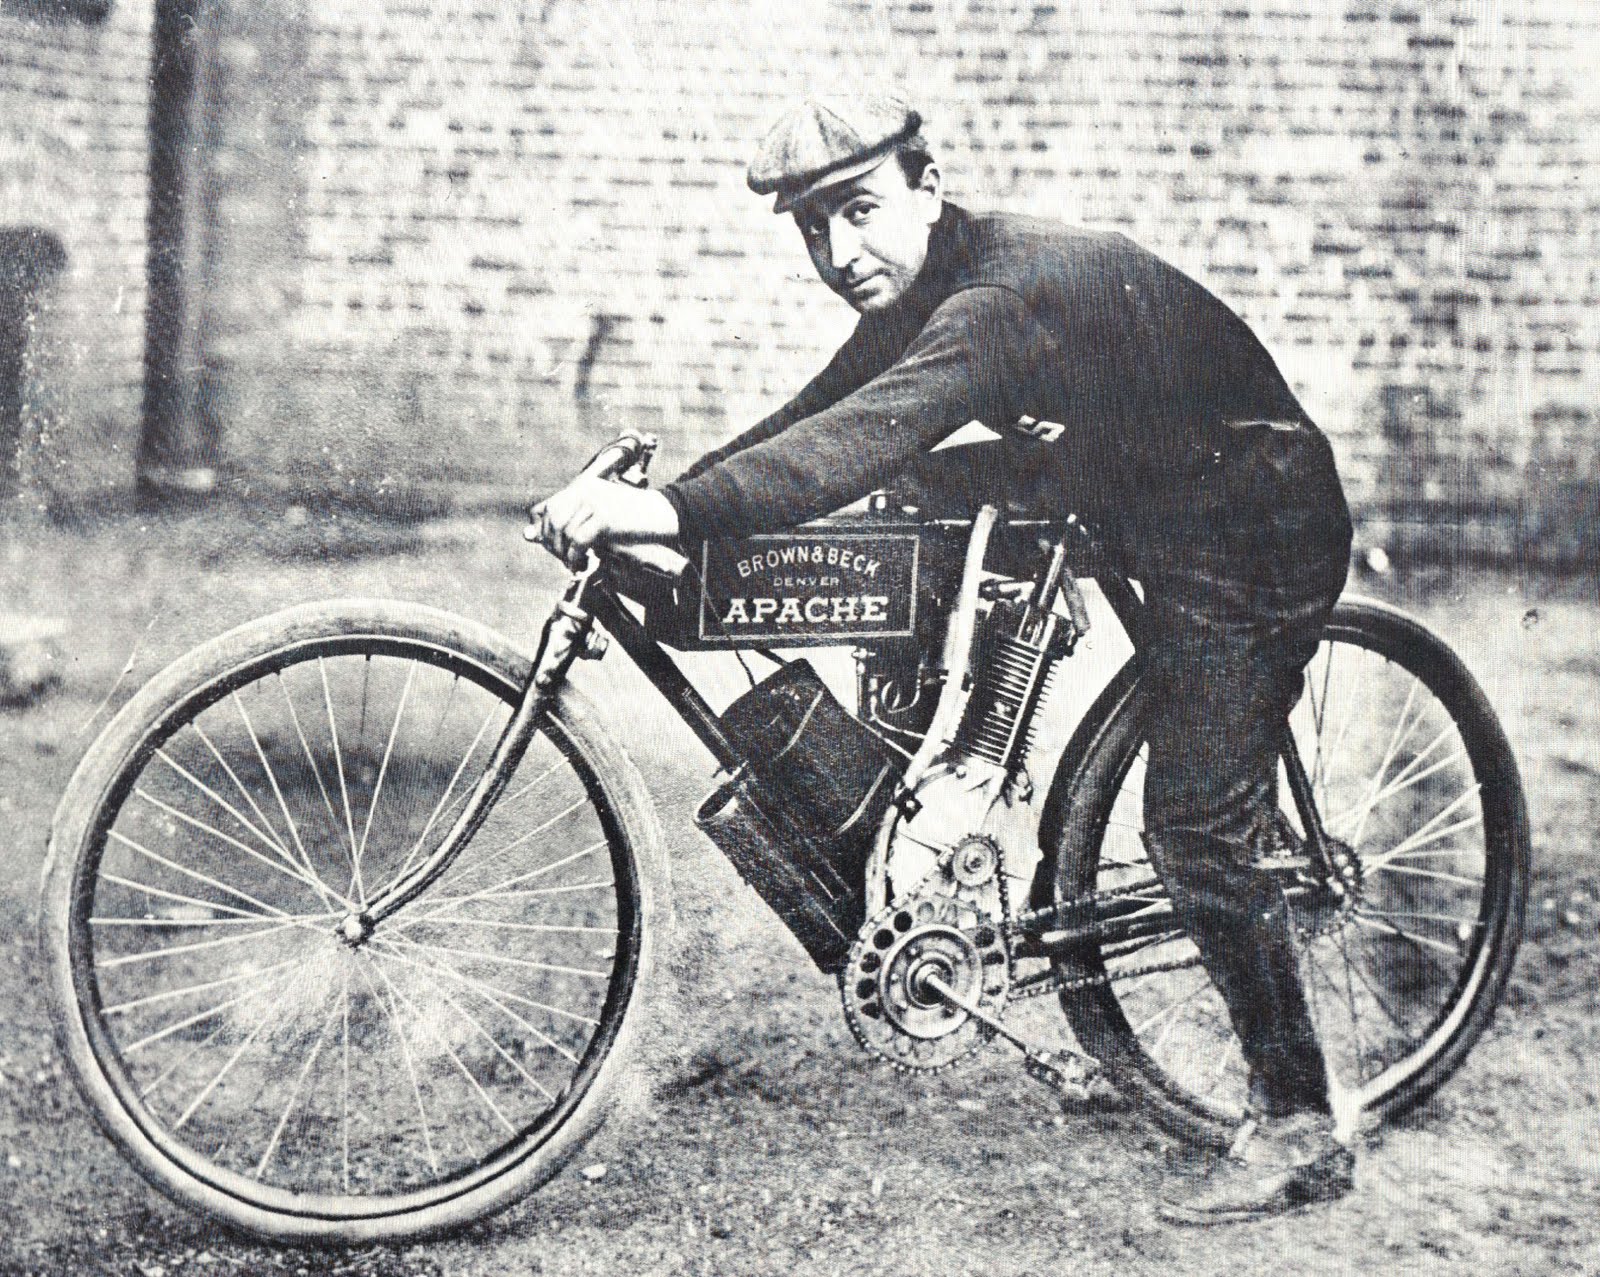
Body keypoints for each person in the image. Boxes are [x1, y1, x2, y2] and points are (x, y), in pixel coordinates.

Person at [530, 90, 1356, 1225]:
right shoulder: (927, 276)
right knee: (898, 501)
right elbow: (816, 413)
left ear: (927, 186)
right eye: (812, 227)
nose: (838, 250)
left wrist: (671, 510)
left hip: (1246, 517)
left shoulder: (995, 301)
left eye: (858, 210)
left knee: (1195, 827)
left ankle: (1300, 1123)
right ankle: (939, 808)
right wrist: (656, 506)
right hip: (1127, 478)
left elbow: (850, 438)